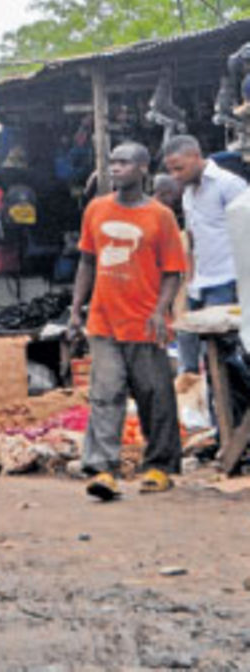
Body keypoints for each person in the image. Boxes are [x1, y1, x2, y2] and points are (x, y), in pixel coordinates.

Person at [69, 143, 187, 500]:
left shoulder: (160, 216)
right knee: (106, 395)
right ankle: (103, 469)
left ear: (142, 169)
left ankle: (159, 466)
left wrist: (159, 310)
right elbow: (87, 262)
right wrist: (76, 308)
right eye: (113, 162)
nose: (116, 168)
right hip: (104, 320)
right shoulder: (96, 209)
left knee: (156, 396)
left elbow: (173, 272)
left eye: (124, 163)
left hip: (145, 322)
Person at [162, 135, 247, 397]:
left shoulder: (228, 185)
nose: (175, 176)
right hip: (200, 284)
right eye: (170, 170)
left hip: (228, 280)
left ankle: (238, 423)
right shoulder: (188, 194)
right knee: (201, 361)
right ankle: (222, 427)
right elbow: (194, 239)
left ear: (196, 157)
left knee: (228, 357)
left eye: (179, 168)